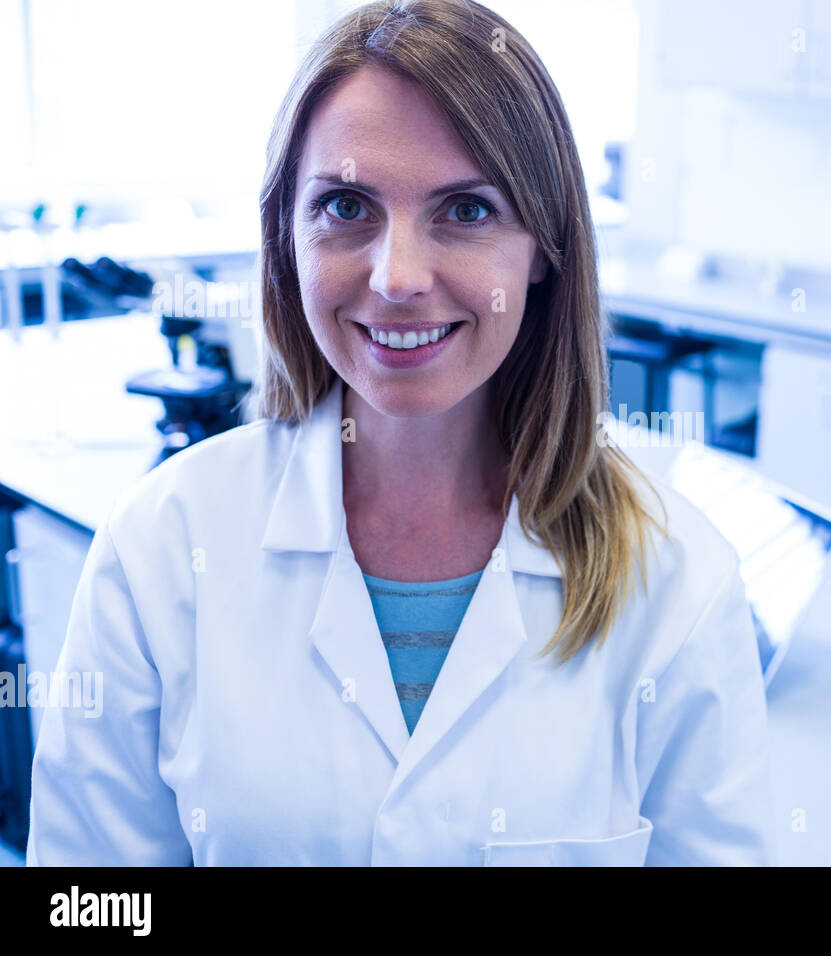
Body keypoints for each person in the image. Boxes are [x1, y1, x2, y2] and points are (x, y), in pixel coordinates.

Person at [26, 0, 773, 866]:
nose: (399, 277)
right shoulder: (161, 546)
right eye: (347, 206)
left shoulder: (679, 580)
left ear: (545, 249)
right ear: (288, 240)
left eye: (465, 211)